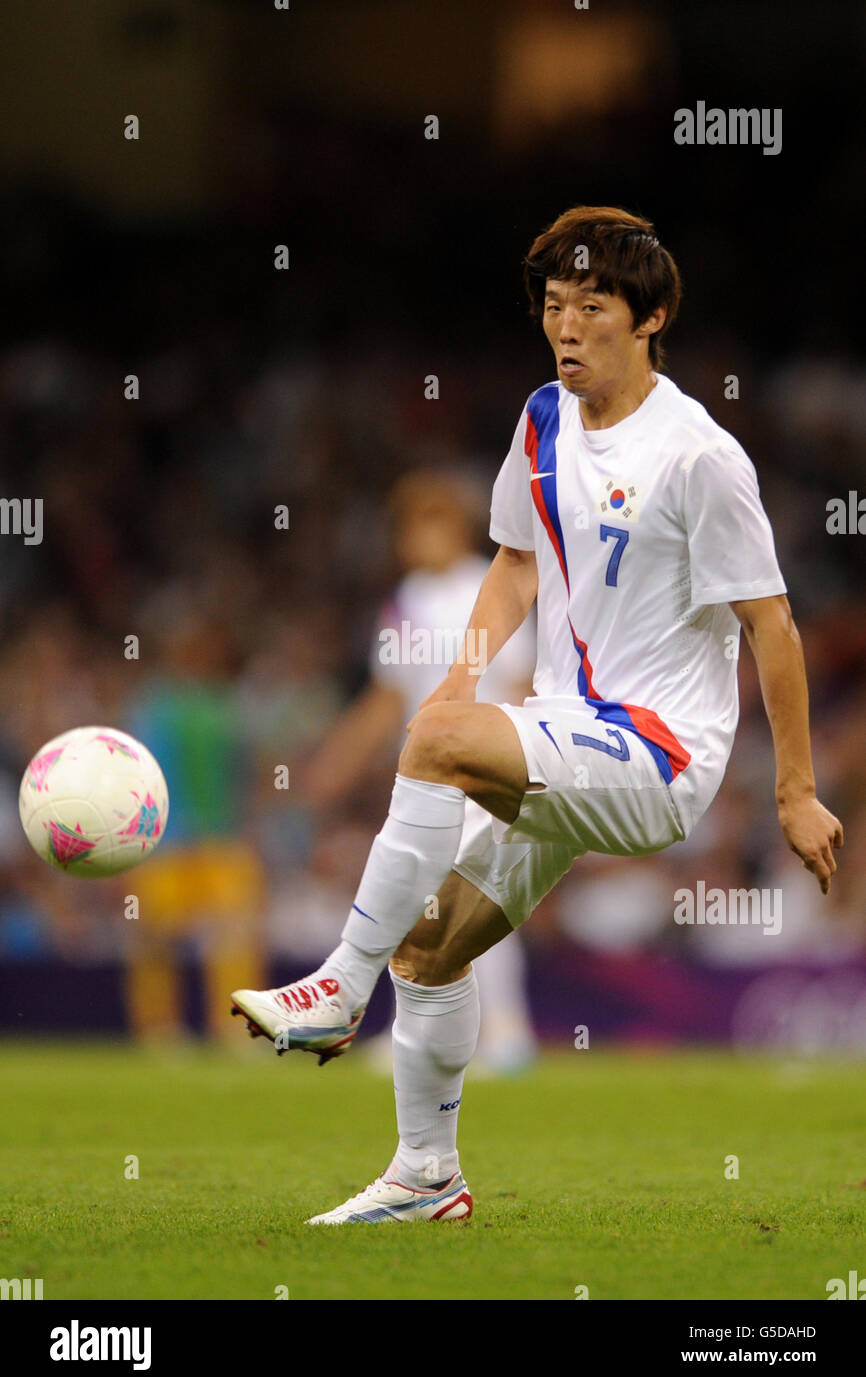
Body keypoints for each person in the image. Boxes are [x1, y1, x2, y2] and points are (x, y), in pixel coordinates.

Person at [231, 205, 843, 1224]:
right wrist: (459, 673)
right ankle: (425, 1177)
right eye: (554, 306)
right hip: (567, 731)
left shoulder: (697, 457)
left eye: (590, 307)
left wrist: (794, 790)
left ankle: (336, 989)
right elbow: (515, 564)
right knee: (432, 950)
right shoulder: (542, 419)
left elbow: (771, 625)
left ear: (647, 319)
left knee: (433, 743)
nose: (565, 327)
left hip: (656, 753)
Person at [299, 468, 538, 1073]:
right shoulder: (404, 601)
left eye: (429, 521)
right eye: (407, 524)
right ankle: (428, 1033)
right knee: (421, 898)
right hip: (427, 774)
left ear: (457, 527)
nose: (415, 535)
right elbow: (387, 698)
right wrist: (335, 762)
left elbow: (519, 684)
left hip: (485, 763)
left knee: (475, 894)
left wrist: (517, 770)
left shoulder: (487, 590)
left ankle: (506, 1031)